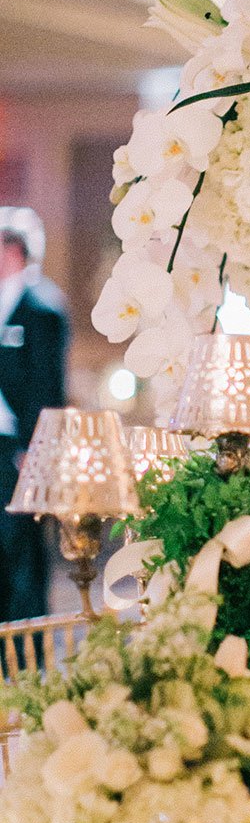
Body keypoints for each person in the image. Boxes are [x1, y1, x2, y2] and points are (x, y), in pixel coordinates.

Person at [0, 208, 69, 621]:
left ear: (16, 250)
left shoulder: (41, 307)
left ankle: (27, 643)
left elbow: (48, 385)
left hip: (19, 448)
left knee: (21, 545)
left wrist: (34, 447)